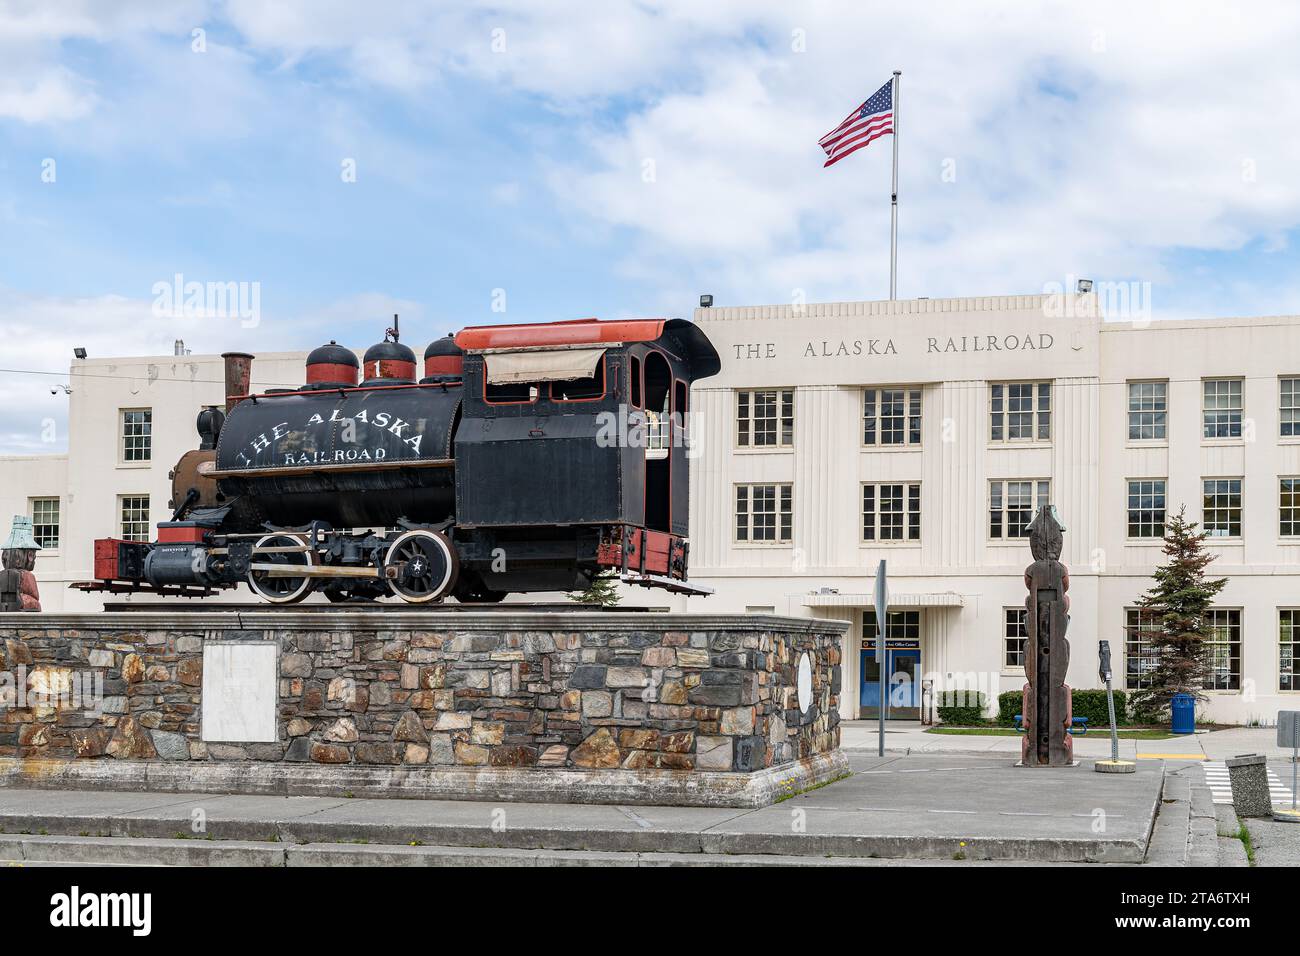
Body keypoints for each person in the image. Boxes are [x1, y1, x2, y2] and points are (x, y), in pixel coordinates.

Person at [0, 516, 42, 612]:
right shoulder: (27, 575)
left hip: (5, 606)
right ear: (29, 556)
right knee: (36, 604)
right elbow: (35, 595)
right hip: (20, 604)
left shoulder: (1, 574)